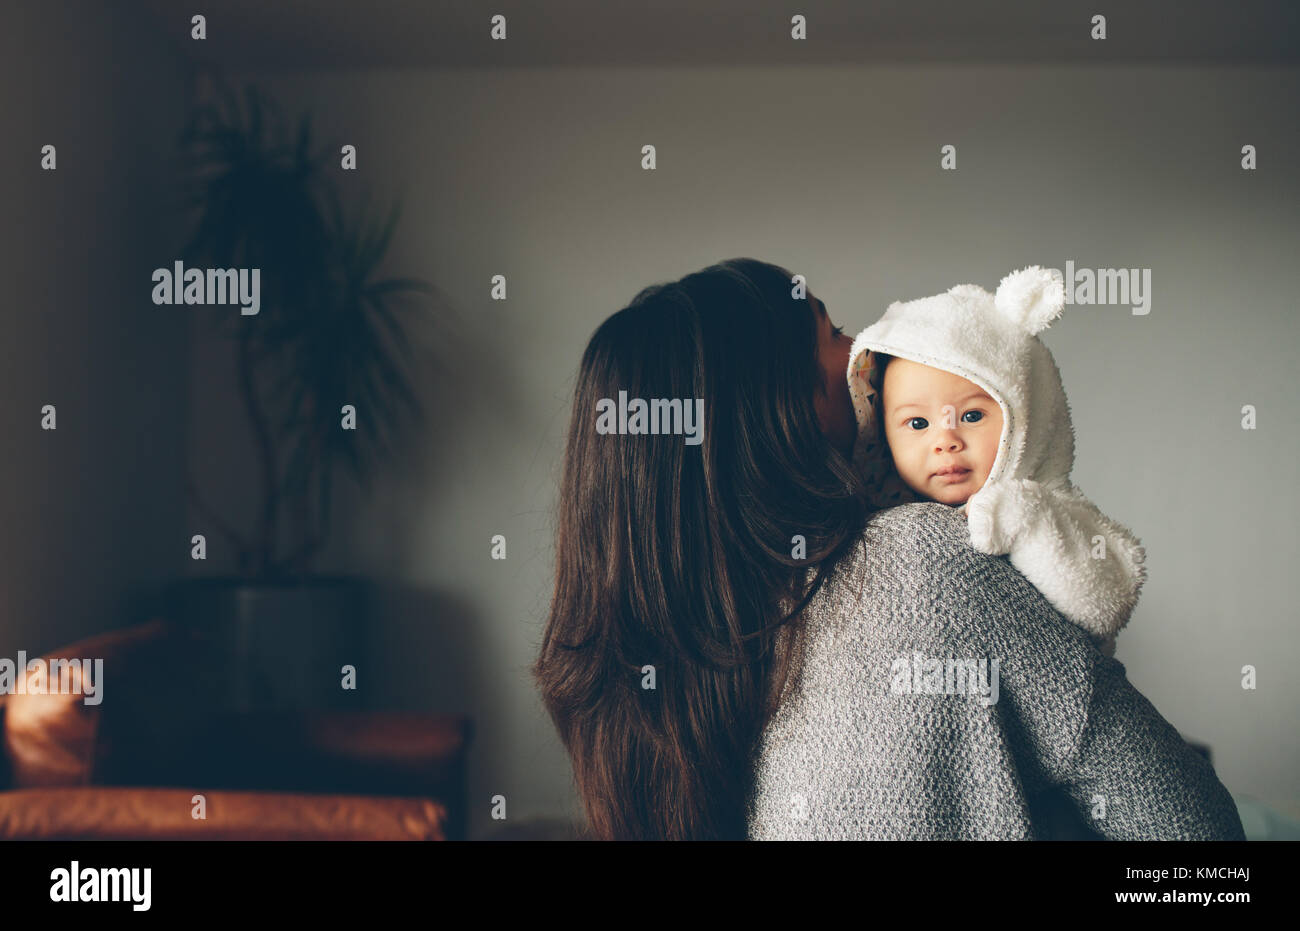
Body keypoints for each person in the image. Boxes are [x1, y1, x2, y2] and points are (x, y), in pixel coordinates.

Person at [532, 258, 1244, 841]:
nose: (866, 346)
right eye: (835, 332)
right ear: (792, 411)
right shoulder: (925, 560)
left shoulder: (634, 697)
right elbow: (1199, 842)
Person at [845, 266, 1146, 657]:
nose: (946, 441)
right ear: (881, 434)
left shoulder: (1053, 505)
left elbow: (1107, 603)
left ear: (1027, 414)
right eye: (918, 423)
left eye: (972, 416)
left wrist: (1027, 519)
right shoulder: (882, 528)